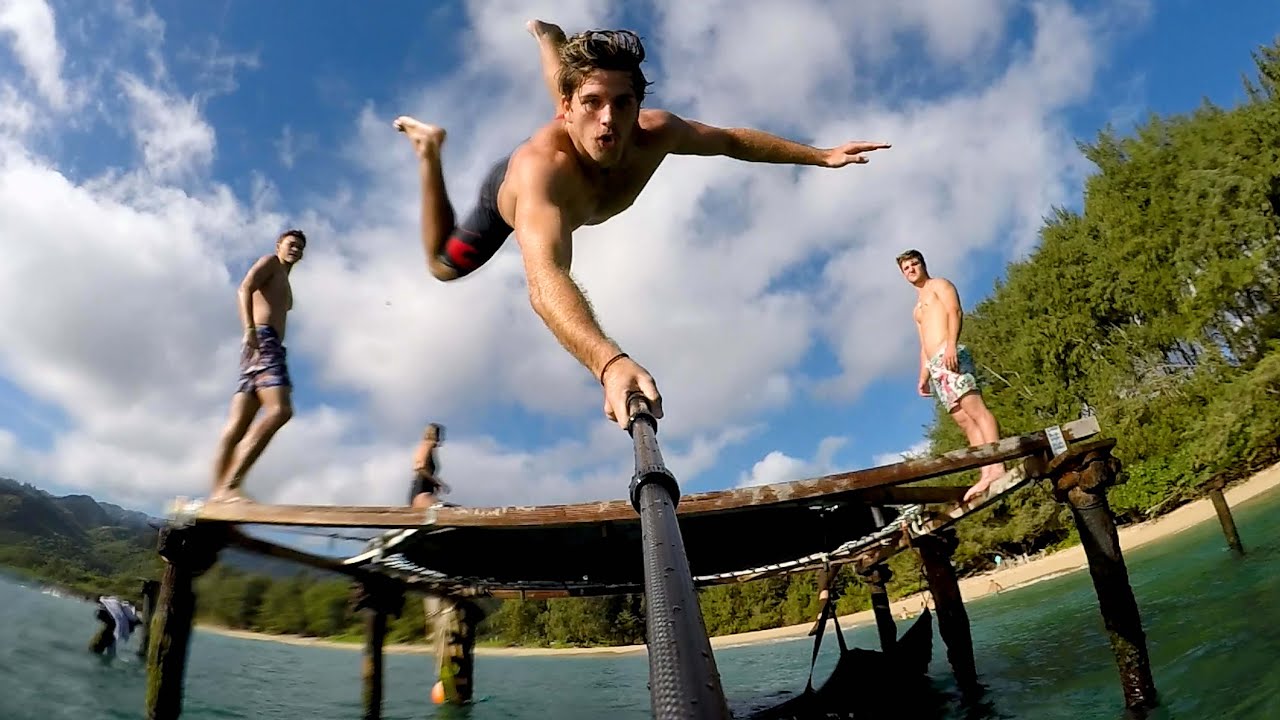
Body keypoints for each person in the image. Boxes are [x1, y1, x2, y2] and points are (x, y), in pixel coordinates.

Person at [394, 20, 890, 430]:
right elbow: (546, 279)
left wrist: (821, 155)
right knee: (441, 266)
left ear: (638, 106)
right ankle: (429, 150)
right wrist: (608, 362)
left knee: (588, 92)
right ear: (567, 110)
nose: (609, 119)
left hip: (574, 135)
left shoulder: (657, 132)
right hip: (508, 194)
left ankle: (551, 40)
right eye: (592, 103)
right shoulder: (541, 172)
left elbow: (731, 141)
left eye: (623, 103)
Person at [897, 249, 1004, 501]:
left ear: (923, 264)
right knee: (964, 420)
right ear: (903, 274)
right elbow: (923, 344)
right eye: (906, 268)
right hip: (936, 366)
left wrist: (952, 345)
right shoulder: (917, 310)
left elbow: (955, 311)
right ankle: (986, 471)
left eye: (914, 264)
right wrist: (923, 375)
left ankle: (998, 465)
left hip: (950, 354)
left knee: (975, 408)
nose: (911, 269)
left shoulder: (939, 285)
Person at [210, 229, 307, 502]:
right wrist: (249, 328)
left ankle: (218, 494)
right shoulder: (270, 262)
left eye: (300, 247)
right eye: (291, 244)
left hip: (261, 347)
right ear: (278, 245)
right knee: (280, 411)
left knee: (238, 425)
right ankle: (230, 484)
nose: (296, 250)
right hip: (264, 340)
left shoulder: (286, 286)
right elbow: (245, 288)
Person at [409, 422, 451, 507]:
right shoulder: (427, 445)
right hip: (421, 492)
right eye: (439, 435)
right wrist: (436, 482)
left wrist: (437, 483)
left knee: (445, 508)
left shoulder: (427, 446)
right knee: (445, 509)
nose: (441, 438)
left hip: (424, 491)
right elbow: (420, 467)